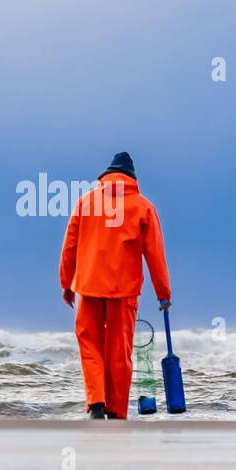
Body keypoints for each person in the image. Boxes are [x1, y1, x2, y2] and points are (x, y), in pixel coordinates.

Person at [59, 151, 171, 419]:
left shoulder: (86, 202)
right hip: (124, 291)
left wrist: (66, 283)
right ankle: (116, 411)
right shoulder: (143, 207)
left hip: (87, 287)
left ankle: (96, 403)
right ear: (132, 178)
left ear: (106, 175)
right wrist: (163, 293)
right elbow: (155, 254)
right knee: (119, 353)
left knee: (90, 346)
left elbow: (70, 246)